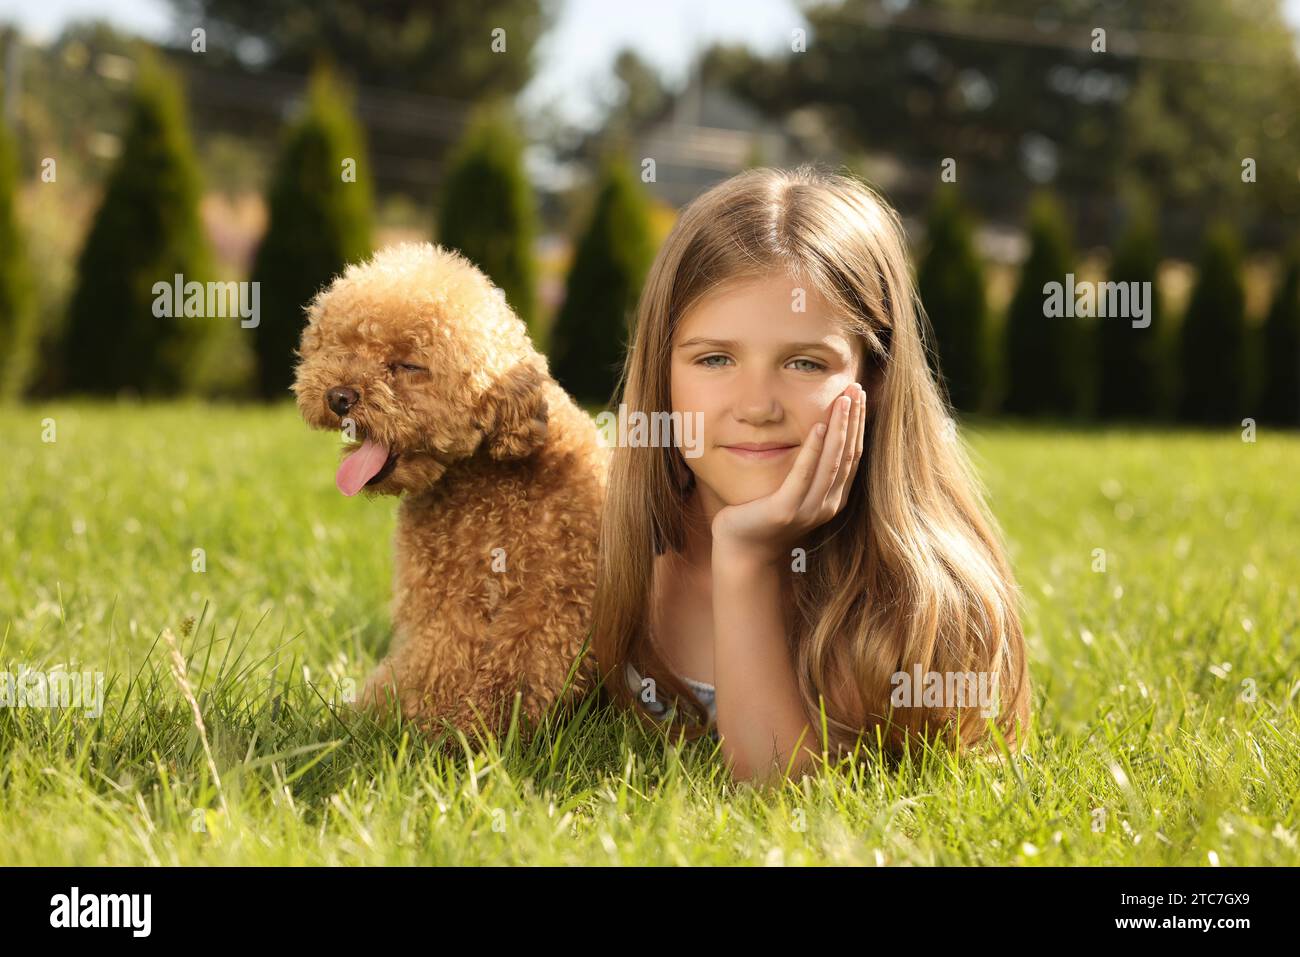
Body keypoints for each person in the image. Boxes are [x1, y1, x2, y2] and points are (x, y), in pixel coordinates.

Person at [591, 164, 1032, 784]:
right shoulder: (598, 538)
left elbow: (779, 787)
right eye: (715, 358)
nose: (757, 405)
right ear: (662, 371)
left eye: (803, 363)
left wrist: (745, 558)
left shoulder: (912, 591)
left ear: (873, 379)